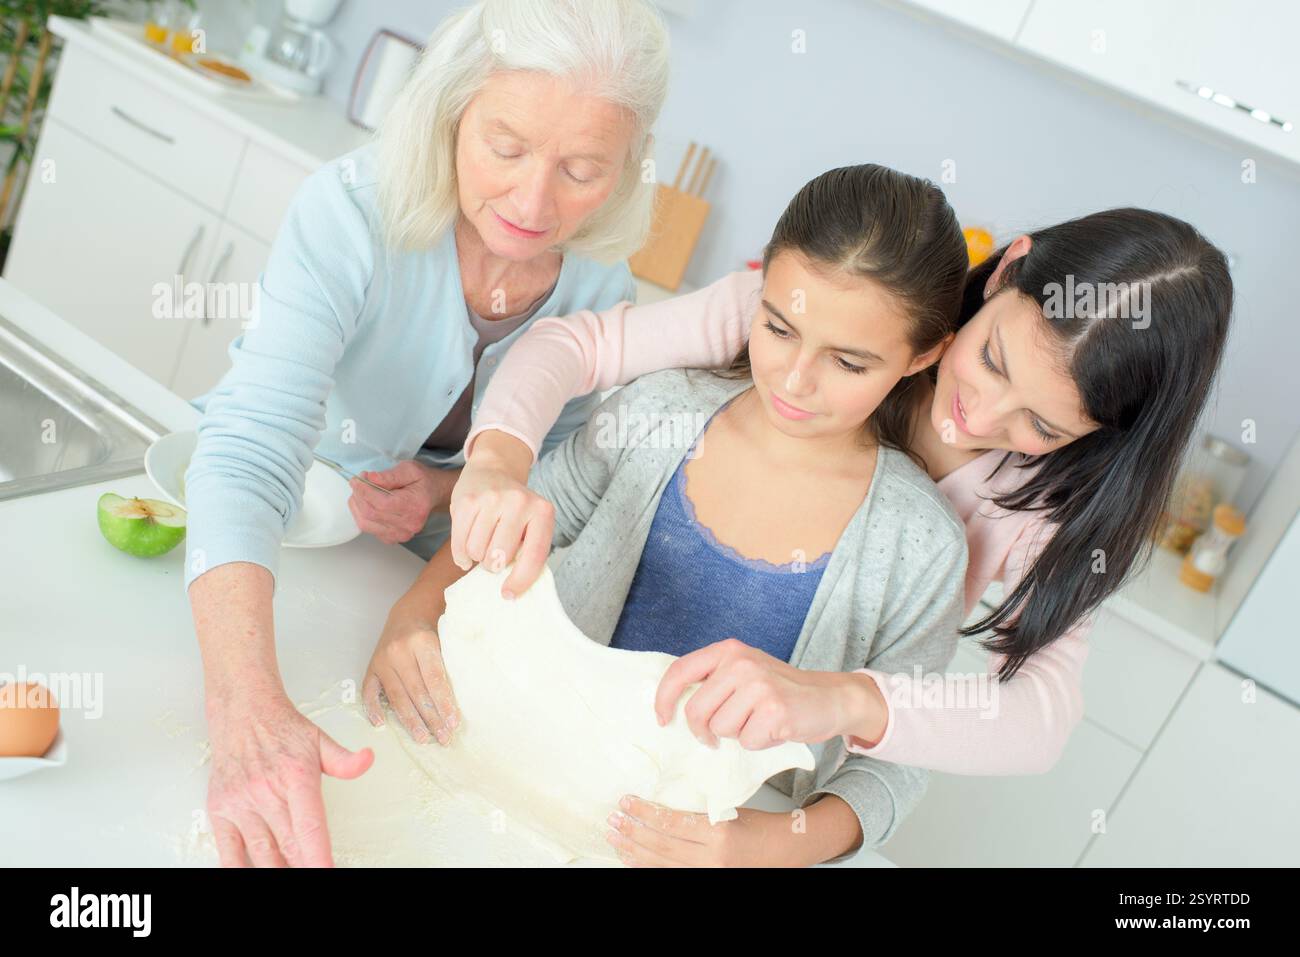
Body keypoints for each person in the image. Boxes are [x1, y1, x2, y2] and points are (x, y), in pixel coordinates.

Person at [433, 207, 1234, 777]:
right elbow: (580, 348)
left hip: (732, 782)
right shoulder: (823, 319)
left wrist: (841, 702)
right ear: (1011, 267)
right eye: (991, 360)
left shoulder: (1041, 516)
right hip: (558, 711)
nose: (979, 416)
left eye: (1042, 425)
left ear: (1099, 435)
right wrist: (496, 462)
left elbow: (1040, 717)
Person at [368, 164, 972, 865]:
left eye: (848, 362)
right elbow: (516, 531)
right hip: (526, 779)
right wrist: (413, 613)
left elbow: (898, 757)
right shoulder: (657, 412)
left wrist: (772, 842)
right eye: (778, 327)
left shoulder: (920, 545)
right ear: (759, 284)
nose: (794, 379)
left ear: (925, 353)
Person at [184, 0, 671, 867]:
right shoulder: (351, 212)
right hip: (263, 548)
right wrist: (246, 708)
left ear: (628, 170)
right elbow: (252, 444)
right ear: (451, 111)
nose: (532, 200)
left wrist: (448, 502)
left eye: (584, 168)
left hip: (415, 585)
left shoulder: (603, 289)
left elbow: (558, 475)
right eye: (506, 147)